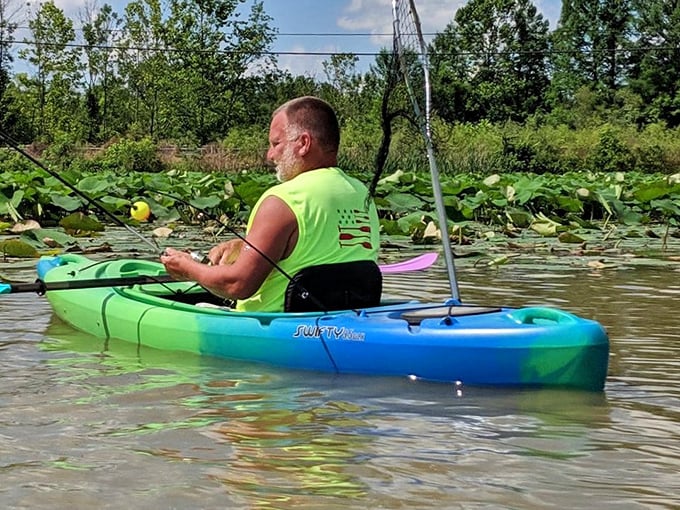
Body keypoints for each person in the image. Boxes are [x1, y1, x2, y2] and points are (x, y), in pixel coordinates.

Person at [160, 96, 380, 312]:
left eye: (276, 143)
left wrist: (188, 268)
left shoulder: (283, 200)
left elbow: (237, 284)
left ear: (303, 143)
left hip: (275, 334)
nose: (270, 155)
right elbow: (317, 251)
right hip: (347, 321)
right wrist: (243, 247)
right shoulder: (361, 193)